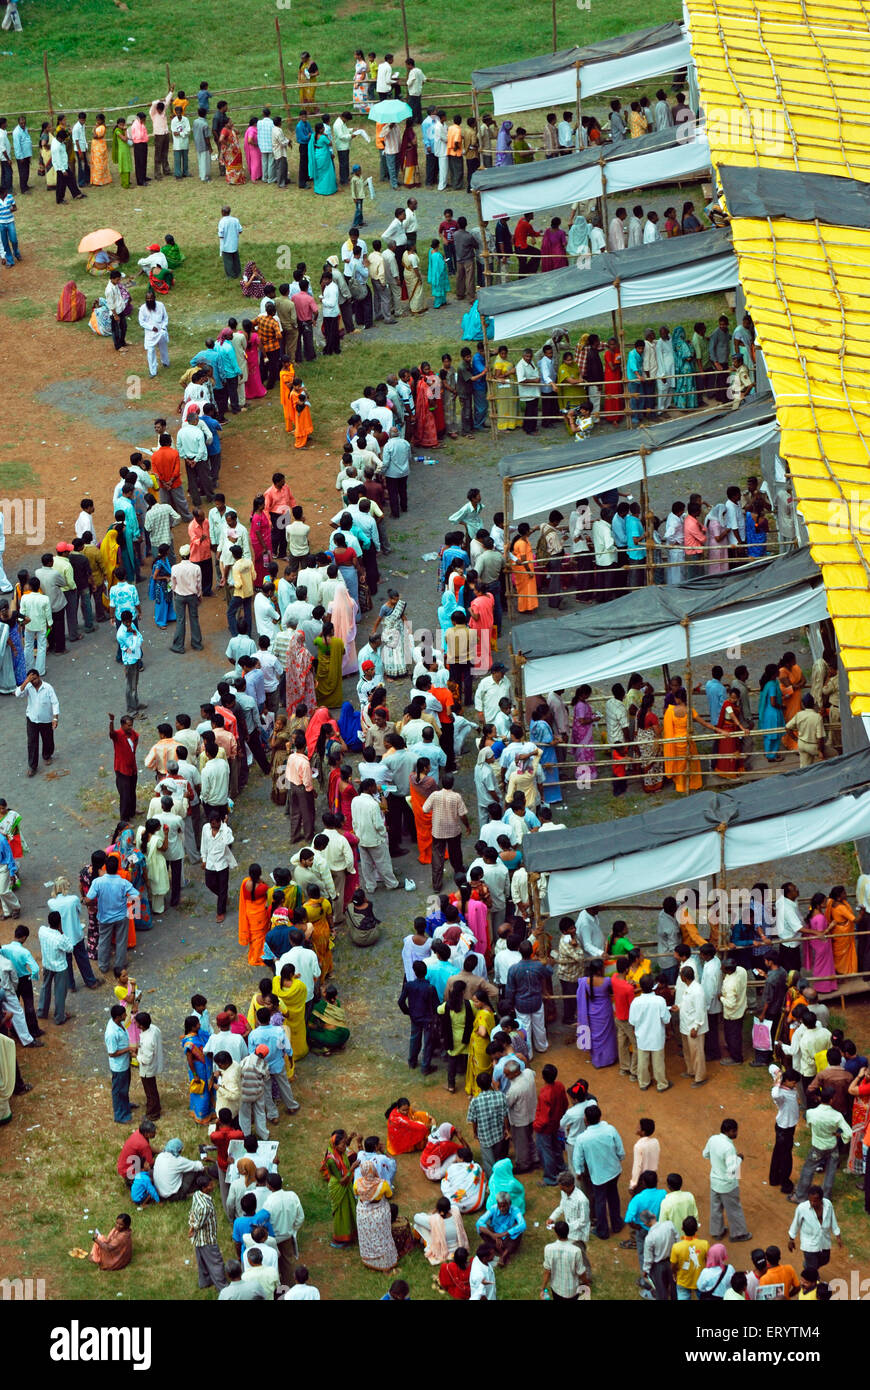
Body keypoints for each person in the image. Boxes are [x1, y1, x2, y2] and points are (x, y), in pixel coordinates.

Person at [572, 1105, 625, 1240]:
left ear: (586, 1120)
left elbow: (577, 1158)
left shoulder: (582, 1138)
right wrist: (619, 1157)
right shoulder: (610, 1129)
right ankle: (617, 1224)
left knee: (600, 1201)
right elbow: (620, 1150)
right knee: (613, 1196)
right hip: (614, 1170)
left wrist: (579, 1171)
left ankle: (603, 1231)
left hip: (598, 1175)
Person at [703, 1120, 752, 1241]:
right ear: (728, 1131)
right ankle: (739, 1234)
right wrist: (739, 1159)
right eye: (735, 1131)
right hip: (727, 1185)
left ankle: (717, 1231)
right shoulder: (729, 1148)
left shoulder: (713, 1139)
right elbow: (732, 1171)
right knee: (734, 1209)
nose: (736, 1133)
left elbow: (705, 1154)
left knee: (716, 1208)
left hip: (714, 1181)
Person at [354, 1159, 398, 1271]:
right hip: (379, 1214)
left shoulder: (358, 1183)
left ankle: (368, 1260)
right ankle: (384, 1264)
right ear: (374, 1170)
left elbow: (356, 1193)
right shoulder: (382, 1184)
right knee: (382, 1237)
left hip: (363, 1213)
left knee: (366, 1237)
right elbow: (389, 1195)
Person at [321, 1129, 359, 1247]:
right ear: (335, 1146)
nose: (345, 1147)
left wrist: (349, 1139)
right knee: (341, 1213)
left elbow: (345, 1145)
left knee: (349, 1209)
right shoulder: (332, 1161)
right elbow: (342, 1181)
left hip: (346, 1184)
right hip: (339, 1186)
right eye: (342, 1145)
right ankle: (340, 1238)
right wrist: (352, 1169)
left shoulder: (340, 1152)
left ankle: (351, 1234)